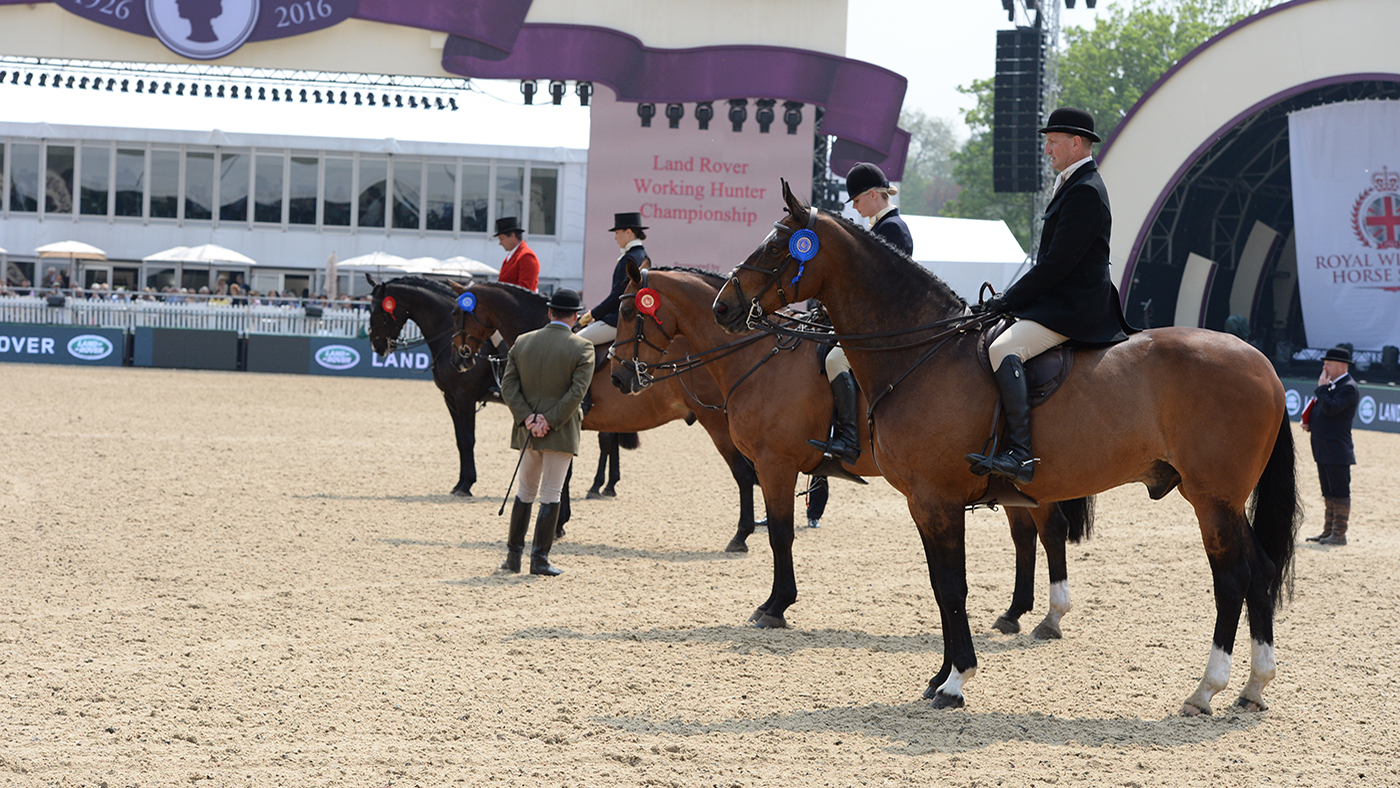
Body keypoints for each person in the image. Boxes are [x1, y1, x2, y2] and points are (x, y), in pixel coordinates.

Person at [964, 107, 1134, 485]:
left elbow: (1056, 265)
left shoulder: (1085, 190)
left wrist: (1007, 300)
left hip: (1075, 306)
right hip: (1061, 298)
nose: (1046, 150)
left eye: (1053, 142)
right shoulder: (1073, 183)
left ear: (1076, 143)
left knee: (1002, 348)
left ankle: (1021, 454)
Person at [808, 162, 912, 465]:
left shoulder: (891, 229)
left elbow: (882, 287)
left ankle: (849, 438)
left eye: (856, 200)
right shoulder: (881, 227)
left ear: (872, 195)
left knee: (835, 359)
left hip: (885, 323)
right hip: (871, 319)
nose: (854, 207)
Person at [499, 288, 595, 576]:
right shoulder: (583, 347)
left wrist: (528, 418)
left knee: (525, 491)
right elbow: (577, 393)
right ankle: (539, 559)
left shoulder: (523, 342)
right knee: (551, 493)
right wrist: (549, 421)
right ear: (575, 316)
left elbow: (508, 386)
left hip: (528, 431)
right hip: (560, 431)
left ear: (550, 312)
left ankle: (513, 557)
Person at [1302, 346, 1359, 546]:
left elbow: (1331, 409)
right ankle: (1328, 531)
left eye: (1328, 364)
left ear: (1342, 366)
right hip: (1323, 448)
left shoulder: (1348, 387)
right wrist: (1310, 422)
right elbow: (1324, 411)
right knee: (1327, 492)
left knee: (1339, 492)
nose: (1324, 367)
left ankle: (1339, 533)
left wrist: (1321, 388)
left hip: (1337, 449)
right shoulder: (1332, 386)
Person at [577, 212, 650, 346]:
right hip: (631, 316)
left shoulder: (629, 259)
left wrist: (592, 314)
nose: (615, 238)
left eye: (617, 233)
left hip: (620, 319)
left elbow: (617, 296)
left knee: (576, 342)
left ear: (628, 232)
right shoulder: (642, 255)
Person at [494, 216, 540, 292]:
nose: (500, 243)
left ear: (512, 236)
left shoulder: (526, 256)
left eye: (501, 239)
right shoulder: (511, 255)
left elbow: (525, 290)